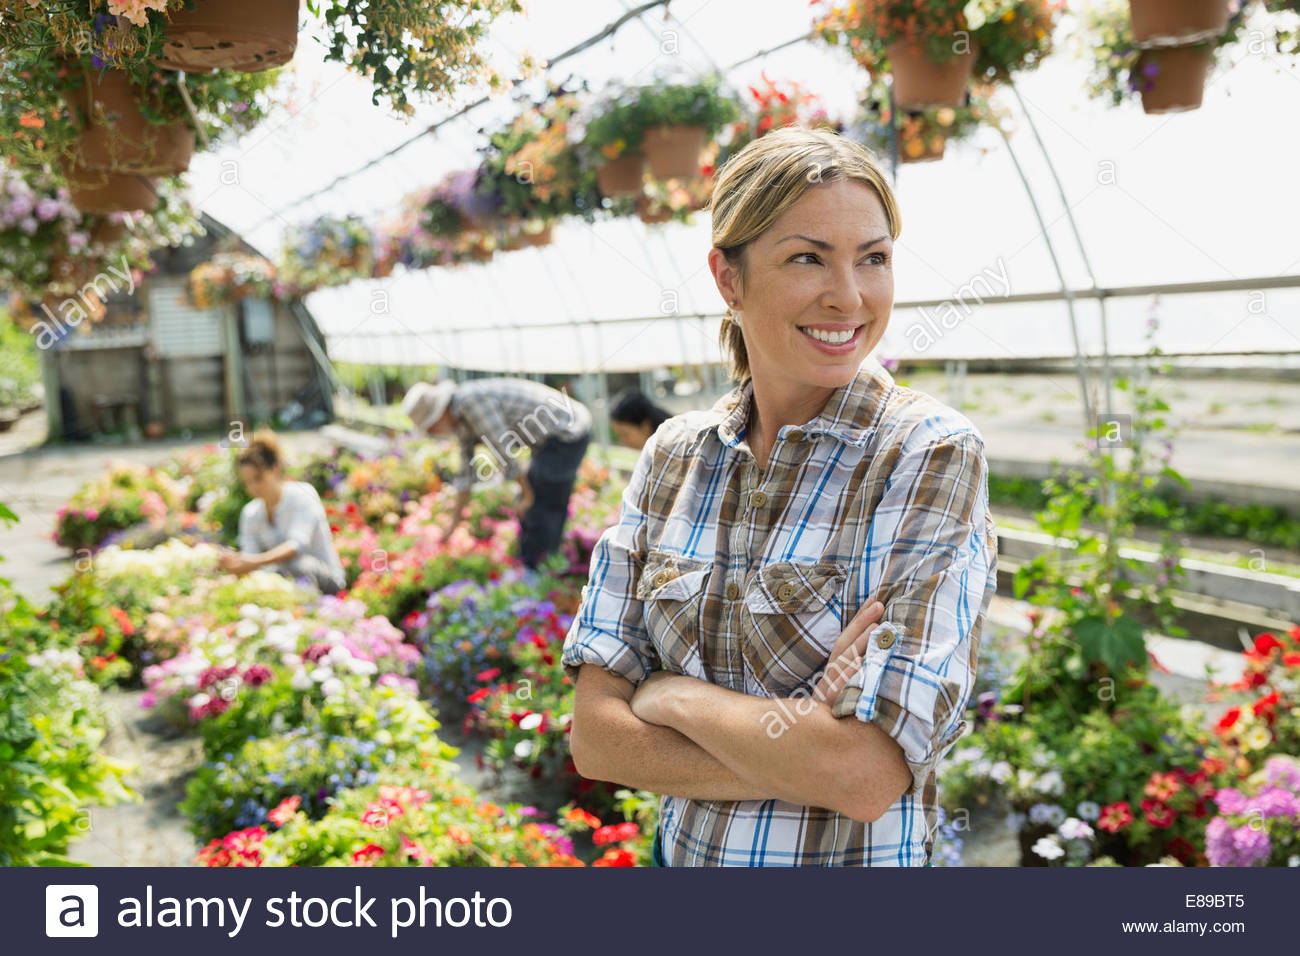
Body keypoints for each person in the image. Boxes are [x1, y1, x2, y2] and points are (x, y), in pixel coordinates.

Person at [561, 127, 998, 867]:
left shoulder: (923, 453)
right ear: (729, 278)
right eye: (807, 258)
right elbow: (597, 741)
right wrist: (795, 737)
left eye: (874, 259)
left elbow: (863, 776)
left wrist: (670, 698)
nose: (849, 296)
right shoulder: (675, 457)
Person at [403, 377, 592, 569]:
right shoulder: (460, 419)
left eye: (431, 426)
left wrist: (527, 495)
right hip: (547, 440)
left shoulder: (470, 402)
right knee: (531, 501)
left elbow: (503, 450)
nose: (434, 431)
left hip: (568, 430)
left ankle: (540, 571)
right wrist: (453, 525)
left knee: (541, 504)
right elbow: (466, 475)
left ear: (440, 413)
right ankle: (531, 566)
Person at [218, 431, 346, 595]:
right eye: (247, 483)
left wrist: (254, 562)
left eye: (258, 479)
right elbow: (250, 556)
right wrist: (236, 563)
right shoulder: (250, 513)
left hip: (325, 579)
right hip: (285, 579)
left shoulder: (302, 495)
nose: (253, 488)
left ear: (275, 470)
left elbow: (296, 546)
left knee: (296, 565)